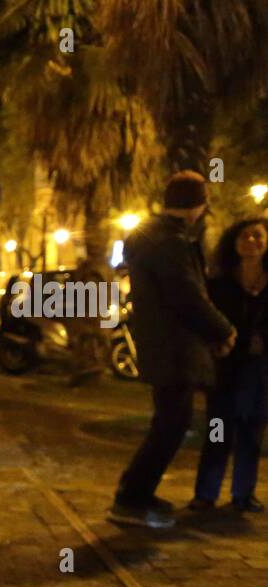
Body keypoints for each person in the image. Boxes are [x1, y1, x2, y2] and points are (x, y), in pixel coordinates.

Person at [109, 171, 238, 529]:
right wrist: (224, 329)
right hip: (174, 349)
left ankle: (136, 492)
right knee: (172, 424)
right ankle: (131, 497)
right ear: (197, 206)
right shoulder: (170, 242)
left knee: (170, 422)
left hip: (165, 346)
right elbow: (187, 295)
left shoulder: (156, 238)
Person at [190, 217, 268, 513]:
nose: (251, 241)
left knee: (252, 432)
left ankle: (243, 494)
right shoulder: (220, 283)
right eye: (244, 236)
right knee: (218, 429)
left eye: (258, 236)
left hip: (260, 371)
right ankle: (205, 493)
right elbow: (209, 320)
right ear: (234, 243)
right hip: (226, 367)